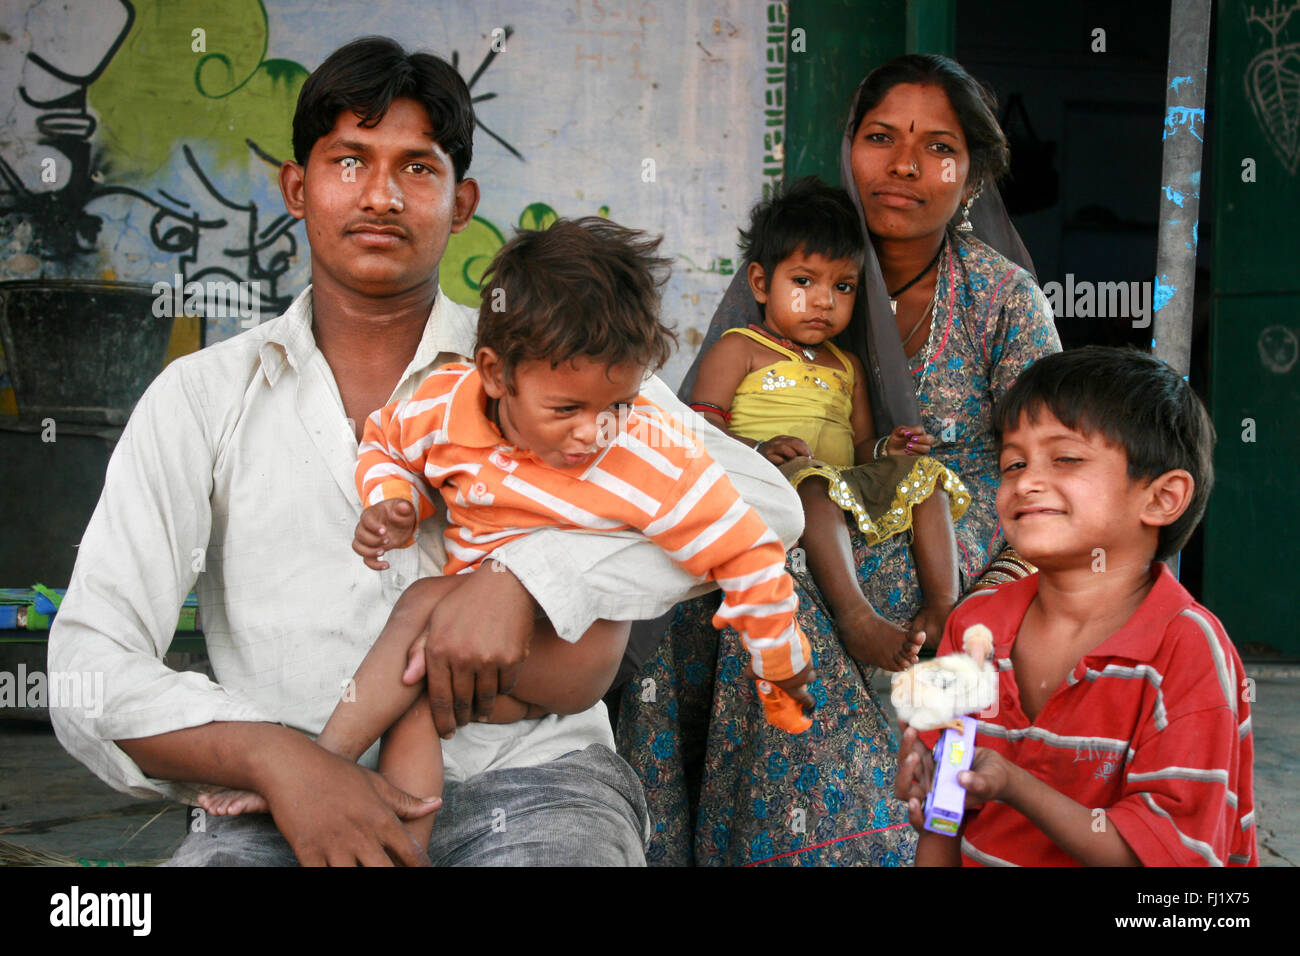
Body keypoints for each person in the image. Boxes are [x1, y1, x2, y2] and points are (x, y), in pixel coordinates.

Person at [46, 37, 803, 867]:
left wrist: (531, 582)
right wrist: (273, 757)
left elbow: (769, 503)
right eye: (348, 162)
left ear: (462, 199)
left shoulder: (556, 361)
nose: (379, 195)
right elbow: (90, 661)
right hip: (283, 800)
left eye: (416, 167)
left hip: (533, 781)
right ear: (296, 188)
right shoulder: (202, 400)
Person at [195, 218, 817, 848]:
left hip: (573, 658)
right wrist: (394, 498)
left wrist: (780, 661)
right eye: (566, 409)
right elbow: (386, 440)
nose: (593, 433)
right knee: (416, 702)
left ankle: (319, 764)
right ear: (494, 373)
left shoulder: (644, 450)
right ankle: (397, 848)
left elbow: (745, 543)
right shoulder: (446, 406)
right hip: (470, 655)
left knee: (419, 608)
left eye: (618, 405)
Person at [616, 53, 1062, 866]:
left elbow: (1056, 469)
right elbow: (696, 432)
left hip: (956, 533)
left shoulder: (1004, 301)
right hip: (804, 500)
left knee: (787, 574)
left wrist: (984, 595)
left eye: (938, 147)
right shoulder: (803, 272)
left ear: (972, 178)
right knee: (700, 577)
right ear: (849, 146)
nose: (903, 164)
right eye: (881, 137)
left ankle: (840, 845)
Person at [895, 347, 1256, 867]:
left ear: (1161, 498)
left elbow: (1168, 859)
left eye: (1065, 458)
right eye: (1013, 463)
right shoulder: (972, 624)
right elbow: (941, 814)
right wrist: (924, 774)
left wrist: (1013, 784)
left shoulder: (1187, 649)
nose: (1026, 481)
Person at [689, 177, 972, 673]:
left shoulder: (847, 366)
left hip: (837, 483)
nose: (823, 301)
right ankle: (856, 617)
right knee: (813, 482)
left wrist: (891, 448)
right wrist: (756, 448)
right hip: (772, 482)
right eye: (804, 282)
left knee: (927, 477)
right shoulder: (740, 348)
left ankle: (944, 603)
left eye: (842, 287)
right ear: (760, 282)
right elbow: (699, 431)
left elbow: (861, 446)